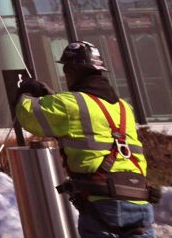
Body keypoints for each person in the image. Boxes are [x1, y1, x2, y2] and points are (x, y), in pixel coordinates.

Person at [15, 42, 157, 238]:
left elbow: (28, 115)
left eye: (66, 69)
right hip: (140, 200)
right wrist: (51, 96)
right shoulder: (125, 107)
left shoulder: (69, 104)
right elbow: (87, 119)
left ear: (74, 69)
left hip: (101, 203)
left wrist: (25, 92)